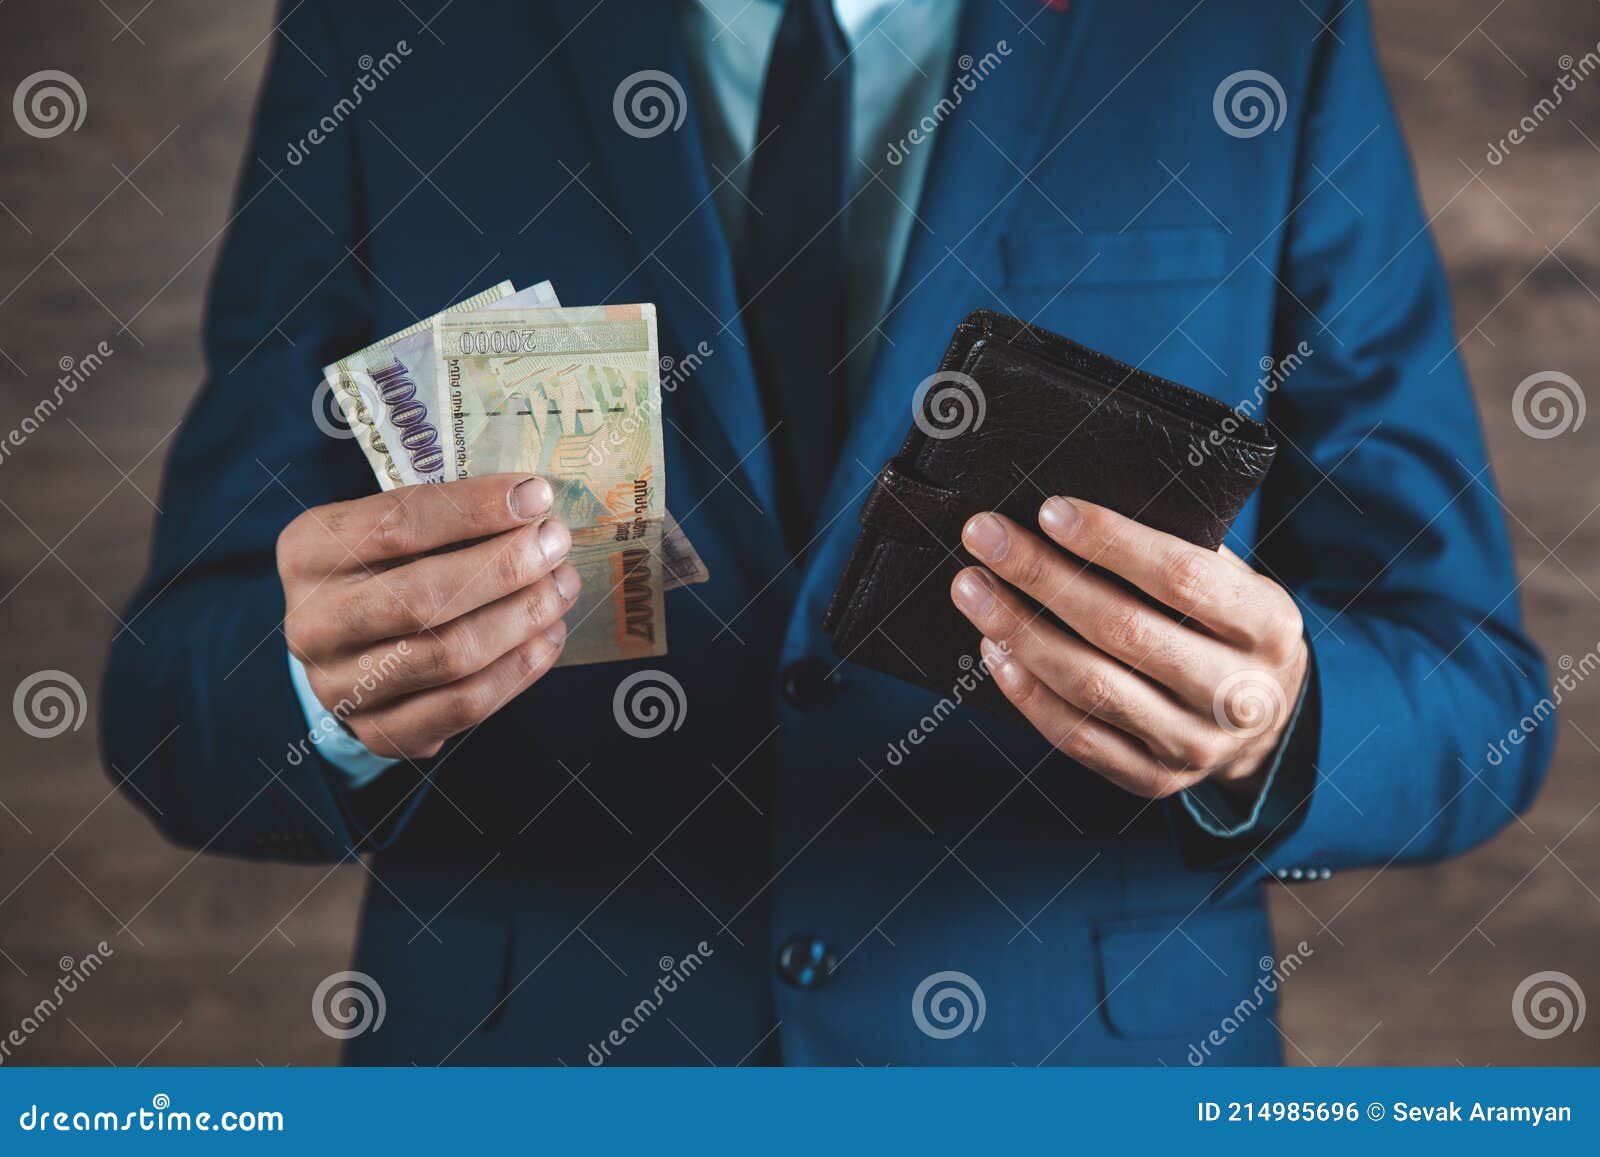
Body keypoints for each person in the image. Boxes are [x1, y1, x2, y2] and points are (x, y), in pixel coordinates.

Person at [102, 0, 1551, 1065]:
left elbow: (1479, 695)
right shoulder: (389, 28)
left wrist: (1277, 722)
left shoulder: (1257, 31)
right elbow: (172, 702)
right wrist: (319, 693)